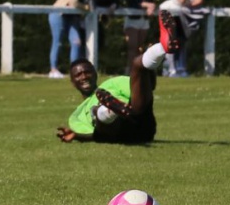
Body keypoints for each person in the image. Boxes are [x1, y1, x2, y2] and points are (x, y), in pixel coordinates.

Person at [56, 10, 179, 144]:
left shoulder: (114, 83)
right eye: (78, 75)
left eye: (87, 72)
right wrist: (77, 136)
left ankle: (164, 46)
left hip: (140, 123)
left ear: (96, 73)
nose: (84, 76)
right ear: (73, 82)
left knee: (136, 65)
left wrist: (146, 71)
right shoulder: (77, 115)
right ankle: (108, 110)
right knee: (97, 115)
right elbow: (95, 135)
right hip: (118, 133)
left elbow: (148, 88)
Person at [48, 0, 95, 79]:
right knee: (57, 41)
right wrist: (85, 8)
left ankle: (74, 70)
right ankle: (53, 69)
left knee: (76, 42)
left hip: (72, 17)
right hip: (59, 14)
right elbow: (73, 1)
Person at [160, 0, 205, 78]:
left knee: (182, 42)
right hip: (171, 14)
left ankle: (181, 68)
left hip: (183, 17)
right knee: (171, 41)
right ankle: (170, 68)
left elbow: (198, 1)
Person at [122, 0, 156, 69]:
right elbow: (132, 3)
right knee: (132, 46)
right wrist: (147, 5)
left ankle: (139, 69)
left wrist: (151, 7)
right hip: (132, 21)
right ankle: (130, 69)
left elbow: (152, 3)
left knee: (140, 47)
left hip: (144, 21)